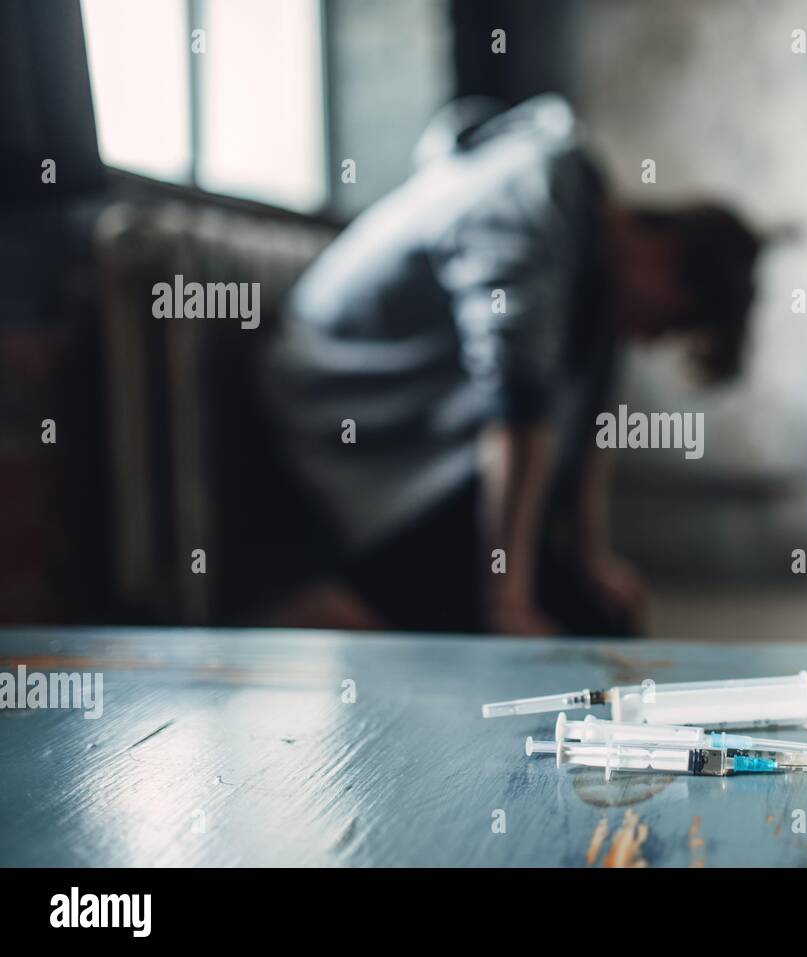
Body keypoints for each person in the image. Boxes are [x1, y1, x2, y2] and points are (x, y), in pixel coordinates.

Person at [259, 94, 763, 636]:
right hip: (347, 400)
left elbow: (594, 417)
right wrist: (508, 606)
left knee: (598, 618)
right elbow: (516, 412)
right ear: (665, 254)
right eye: (671, 323)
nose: (656, 338)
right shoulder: (534, 205)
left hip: (438, 429)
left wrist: (590, 559)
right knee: (484, 631)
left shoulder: (598, 265)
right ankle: (321, 609)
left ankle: (404, 598)